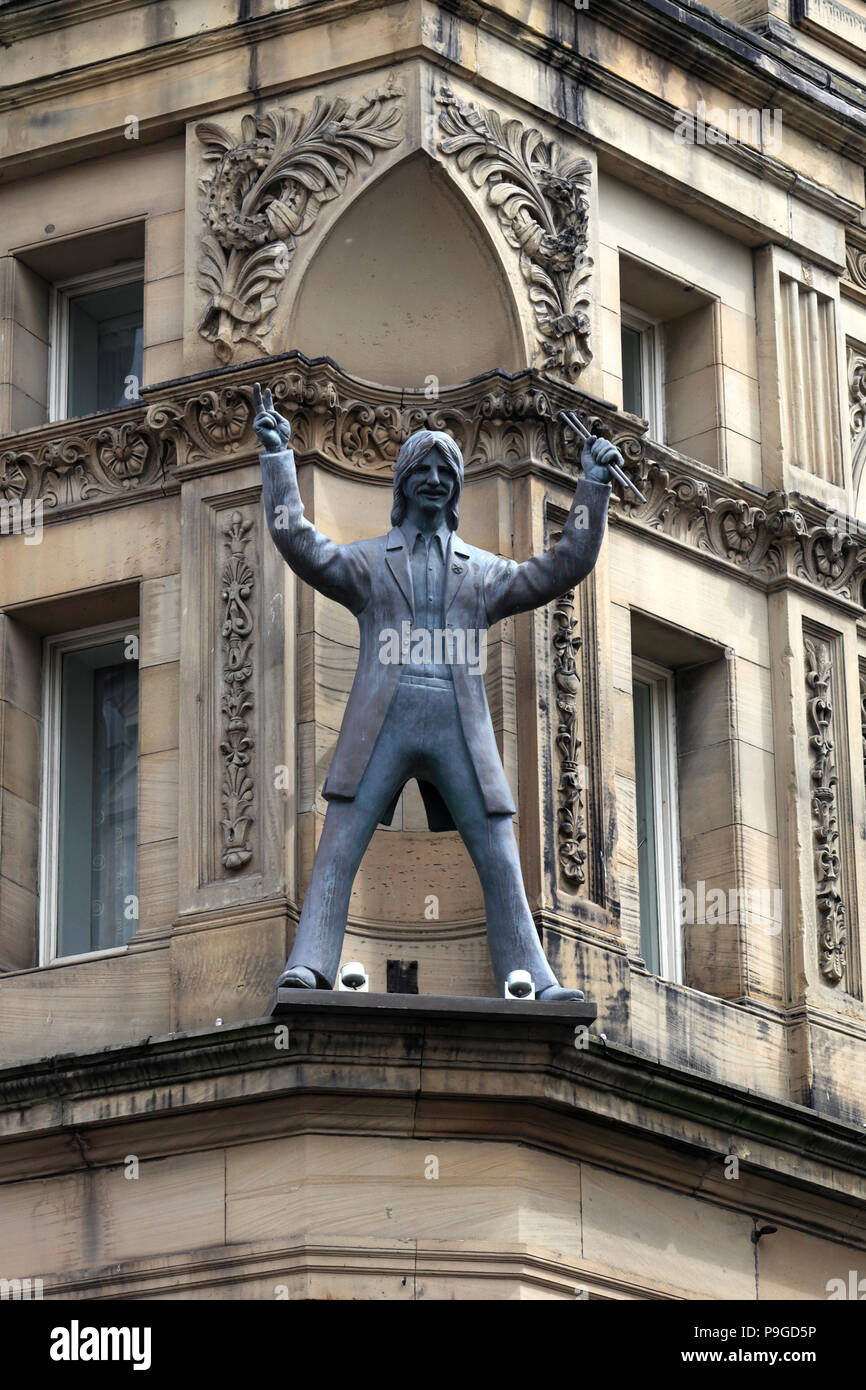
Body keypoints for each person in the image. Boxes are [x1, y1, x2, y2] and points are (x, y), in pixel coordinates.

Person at [253, 382, 620, 1000]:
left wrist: (593, 488)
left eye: (443, 470)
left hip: (458, 723)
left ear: (455, 488)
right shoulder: (370, 563)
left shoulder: (481, 571)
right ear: (401, 486)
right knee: (339, 841)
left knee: (499, 853)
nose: (432, 478)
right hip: (383, 721)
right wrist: (277, 460)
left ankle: (530, 977)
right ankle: (310, 964)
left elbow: (562, 566)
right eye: (419, 469)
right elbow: (301, 544)